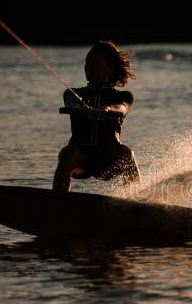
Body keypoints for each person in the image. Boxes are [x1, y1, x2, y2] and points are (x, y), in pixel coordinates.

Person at [52, 41, 140, 192]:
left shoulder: (123, 96)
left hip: (107, 158)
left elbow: (122, 108)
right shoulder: (73, 93)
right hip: (82, 158)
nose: (88, 67)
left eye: (95, 62)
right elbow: (71, 103)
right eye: (86, 62)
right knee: (67, 153)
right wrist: (82, 109)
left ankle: (136, 201)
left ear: (109, 68)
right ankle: (59, 201)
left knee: (127, 154)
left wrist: (106, 110)